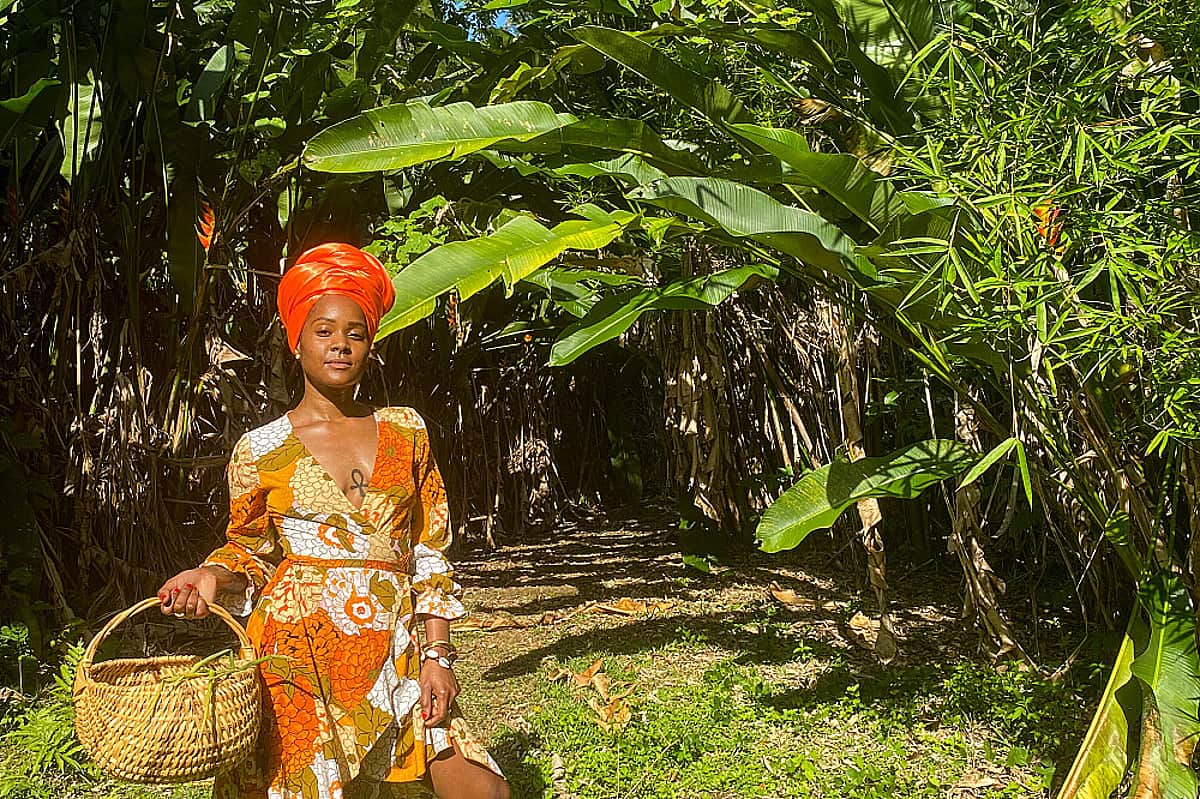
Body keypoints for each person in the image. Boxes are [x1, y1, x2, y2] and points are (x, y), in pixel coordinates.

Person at [157, 243, 510, 799]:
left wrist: (437, 655)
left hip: (397, 643)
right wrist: (208, 577)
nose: (341, 344)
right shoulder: (260, 449)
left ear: (370, 346)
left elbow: (429, 550)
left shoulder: (407, 430)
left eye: (356, 333)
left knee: (481, 788)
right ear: (296, 342)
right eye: (324, 330)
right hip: (301, 653)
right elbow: (248, 552)